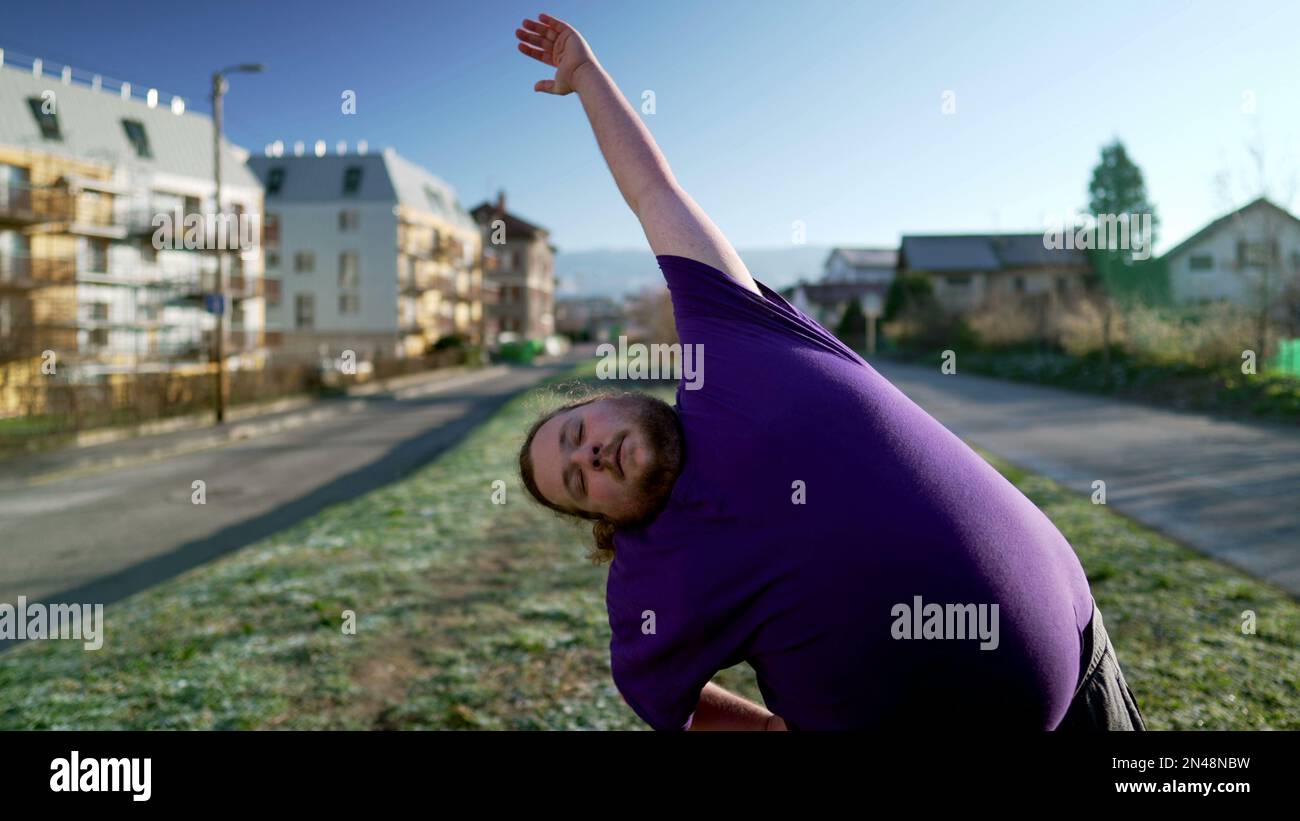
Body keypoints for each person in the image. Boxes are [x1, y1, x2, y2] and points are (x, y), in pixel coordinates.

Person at [514, 13, 1146, 732]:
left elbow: (654, 192)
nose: (588, 454)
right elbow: (669, 707)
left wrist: (589, 78)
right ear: (602, 519)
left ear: (609, 397)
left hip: (1089, 670)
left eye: (575, 431)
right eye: (576, 480)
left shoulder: (730, 336)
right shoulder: (651, 583)